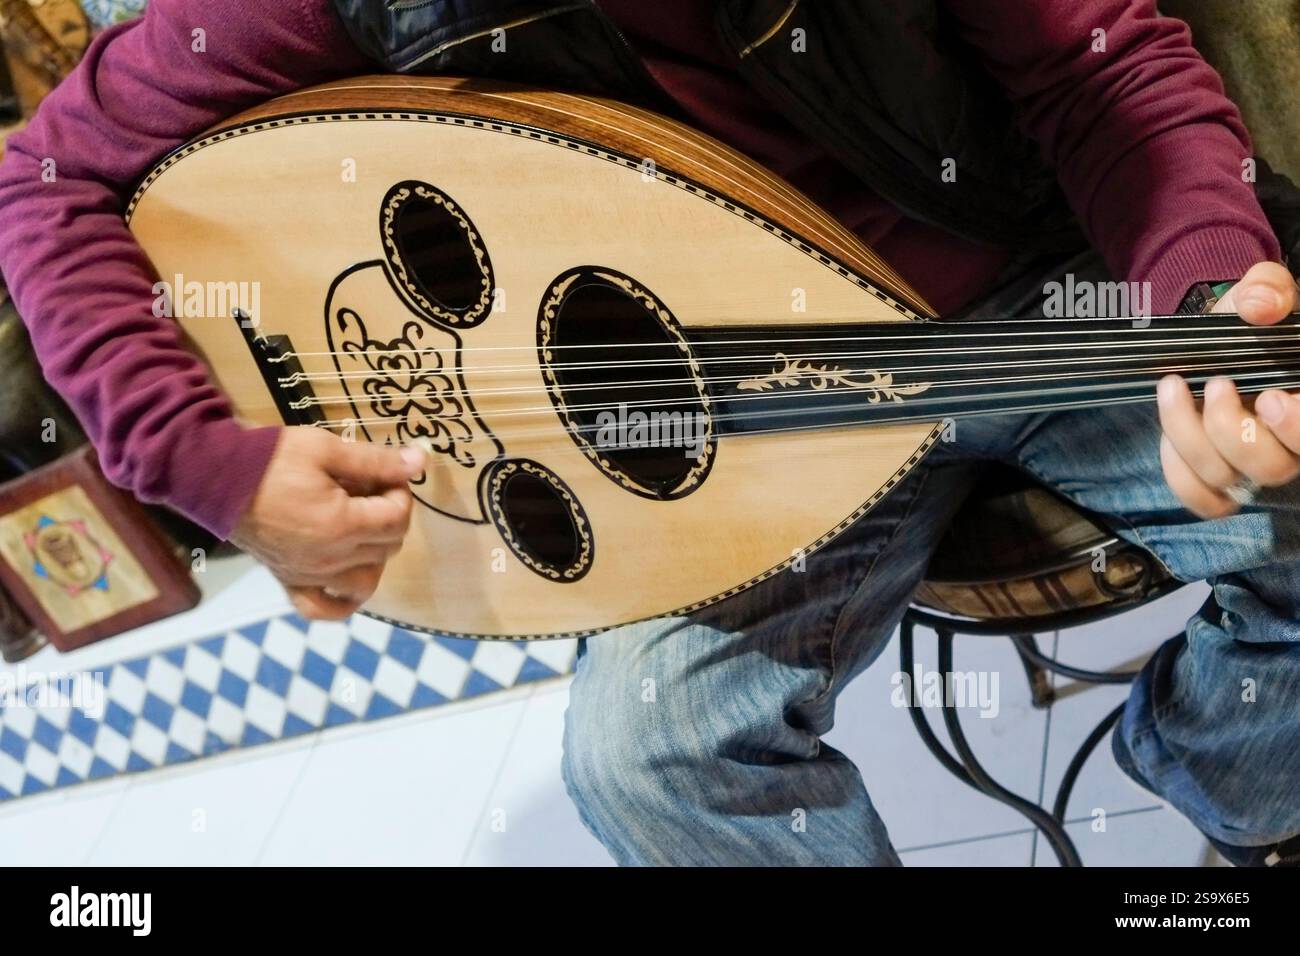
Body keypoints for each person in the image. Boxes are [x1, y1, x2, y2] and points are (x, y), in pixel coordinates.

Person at [0, 0, 1297, 866]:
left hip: (1029, 298)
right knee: (648, 758)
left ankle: (1220, 792)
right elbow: (47, 177)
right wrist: (205, 462)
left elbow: (1104, 72)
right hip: (722, 443)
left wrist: (1205, 306)